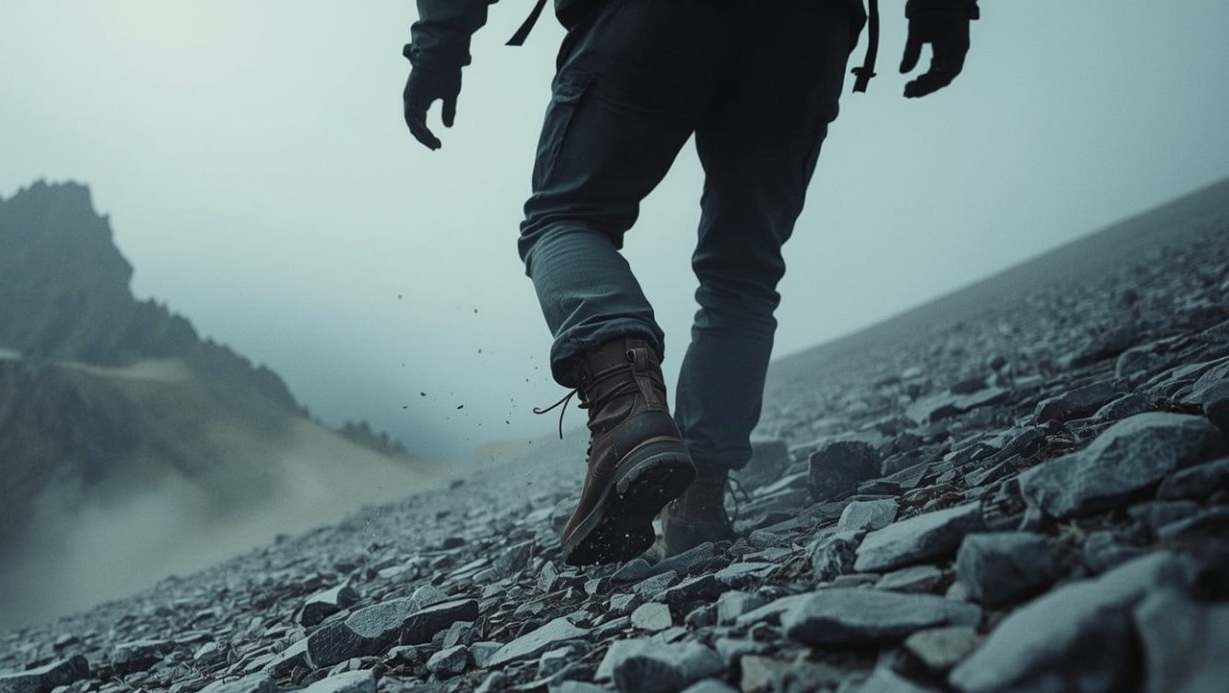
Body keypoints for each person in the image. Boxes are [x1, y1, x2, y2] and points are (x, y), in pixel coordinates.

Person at [402, 0, 979, 565]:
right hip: (807, 28)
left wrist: (439, 46)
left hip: (645, 23)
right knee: (743, 274)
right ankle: (697, 500)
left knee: (566, 219)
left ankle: (628, 412)